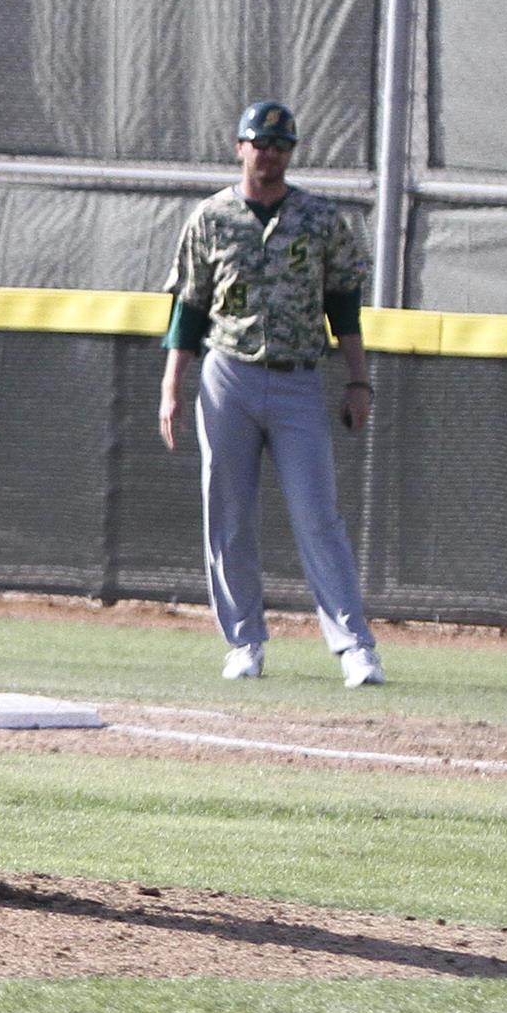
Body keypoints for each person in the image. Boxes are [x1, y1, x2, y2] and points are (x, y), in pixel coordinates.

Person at [158, 100, 385, 688]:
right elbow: (189, 306)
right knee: (228, 514)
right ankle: (244, 642)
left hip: (298, 377)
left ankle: (354, 645)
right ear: (240, 147)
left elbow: (343, 303)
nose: (271, 153)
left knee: (318, 514)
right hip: (227, 373)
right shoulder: (212, 217)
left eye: (282, 144)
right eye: (261, 142)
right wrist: (172, 388)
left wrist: (358, 379)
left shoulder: (317, 217)